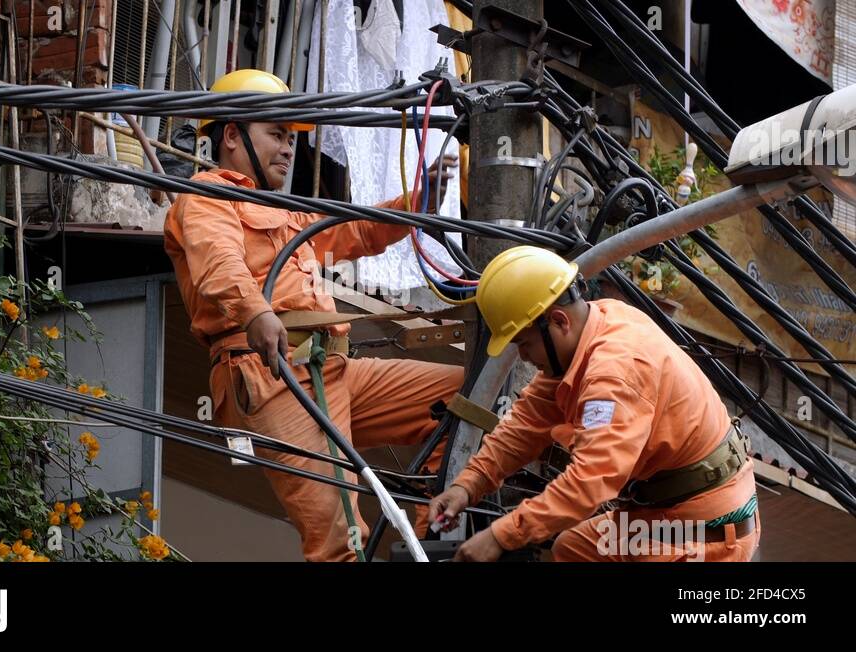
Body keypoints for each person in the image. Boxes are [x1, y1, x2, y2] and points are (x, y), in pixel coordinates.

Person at [164, 69, 463, 561]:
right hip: (272, 376)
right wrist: (257, 311)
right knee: (341, 537)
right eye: (277, 135)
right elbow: (219, 263)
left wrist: (416, 204)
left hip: (333, 370)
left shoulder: (284, 213)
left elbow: (355, 232)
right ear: (233, 134)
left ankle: (434, 529)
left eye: (291, 139)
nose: (288, 149)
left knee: (461, 400)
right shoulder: (206, 195)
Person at [428, 246, 760, 562]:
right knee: (575, 549)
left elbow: (591, 481)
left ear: (559, 322)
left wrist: (501, 535)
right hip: (659, 511)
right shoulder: (594, 326)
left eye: (524, 343)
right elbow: (526, 424)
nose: (523, 355)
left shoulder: (615, 371)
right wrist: (467, 486)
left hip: (702, 530)